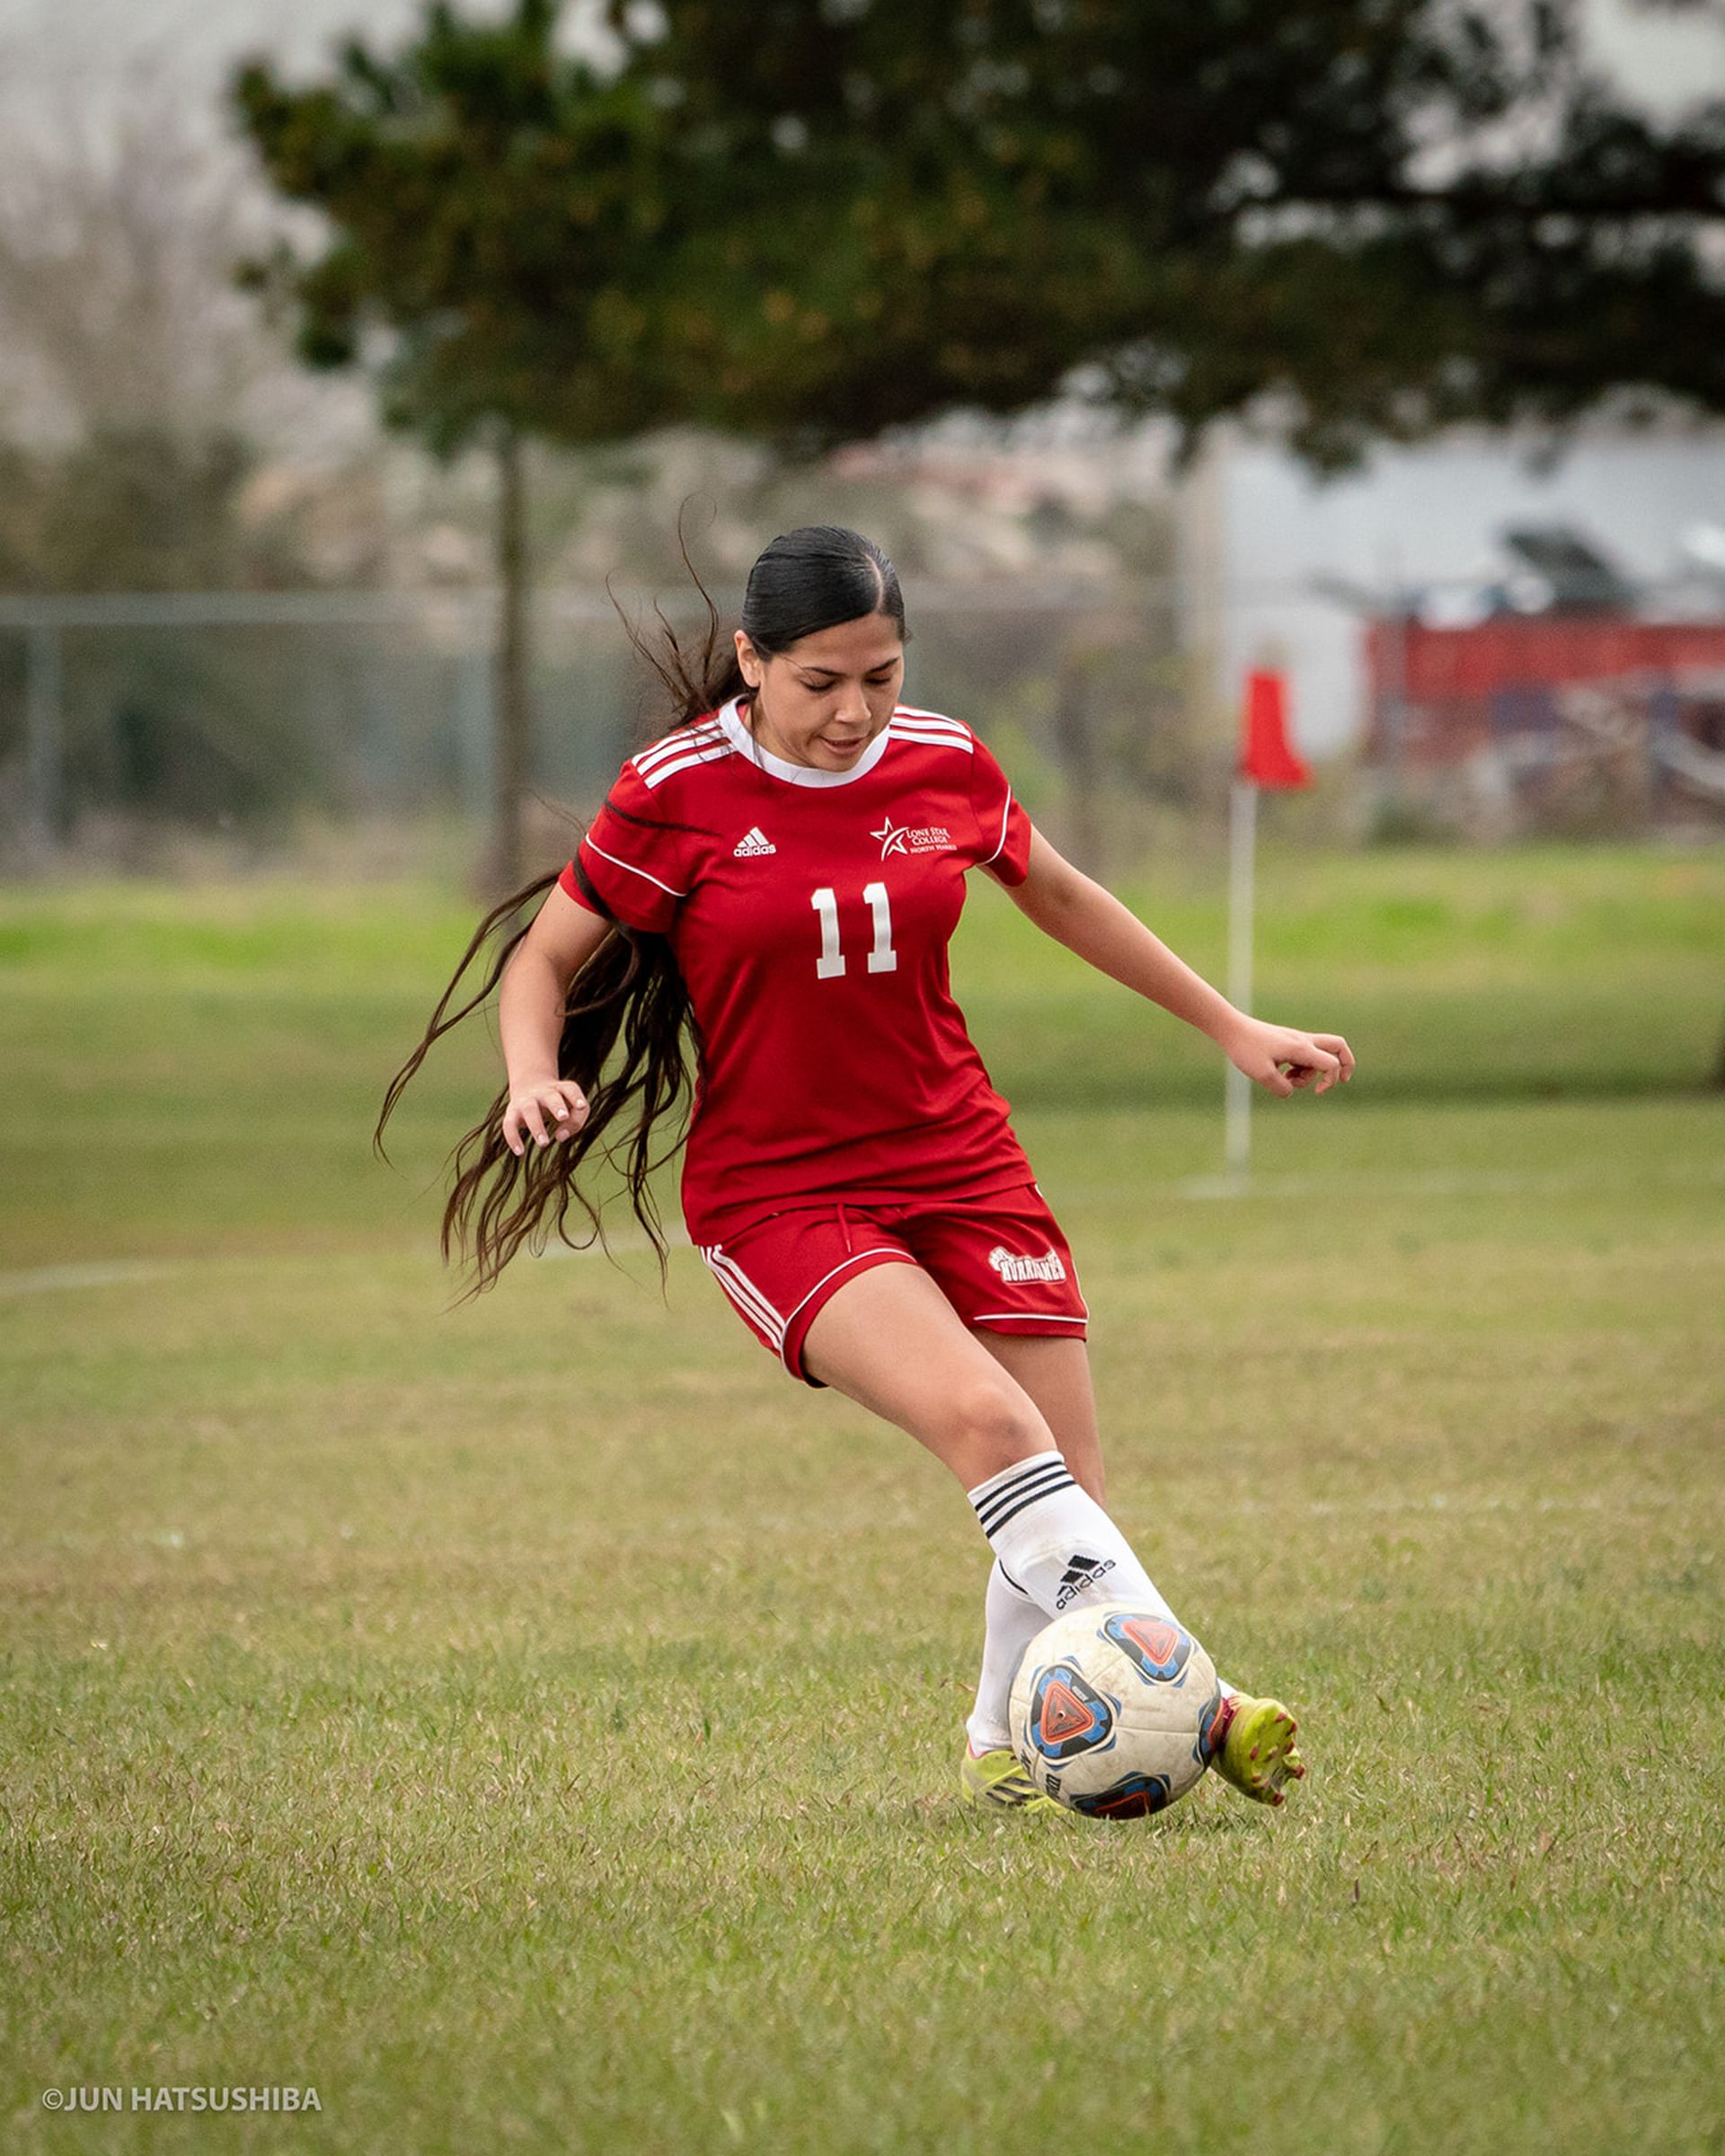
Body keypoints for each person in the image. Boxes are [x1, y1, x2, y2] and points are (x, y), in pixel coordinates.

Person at [381, 525, 1352, 1816]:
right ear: (751, 662)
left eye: (881, 677)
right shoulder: (676, 789)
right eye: (820, 683)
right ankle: (1210, 1709)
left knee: (1061, 1498)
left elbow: (1061, 895)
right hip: (783, 1193)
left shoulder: (948, 761)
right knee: (996, 1432)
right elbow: (542, 961)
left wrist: (1233, 1025)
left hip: (963, 1159)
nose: (854, 713)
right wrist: (528, 1073)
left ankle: (999, 1737)